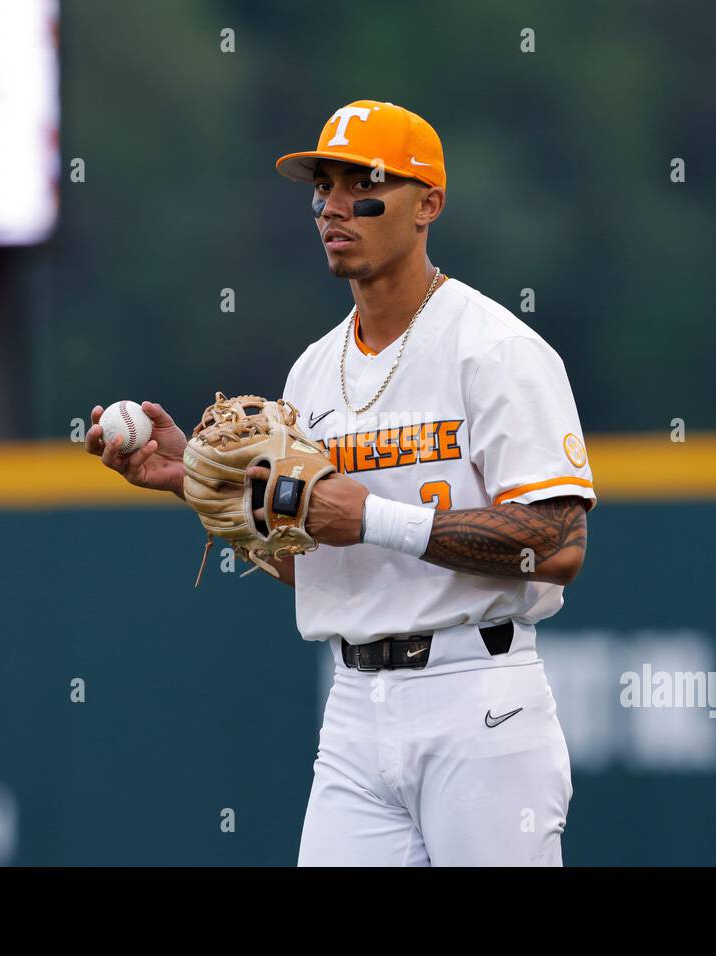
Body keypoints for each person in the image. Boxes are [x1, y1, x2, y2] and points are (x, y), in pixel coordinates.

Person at [86, 100, 595, 866]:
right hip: (355, 708)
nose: (333, 205)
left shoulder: (494, 348)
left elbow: (558, 544)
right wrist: (195, 482)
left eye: (364, 185)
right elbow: (320, 563)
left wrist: (374, 518)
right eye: (322, 185)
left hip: (479, 698)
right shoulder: (314, 370)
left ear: (428, 204)